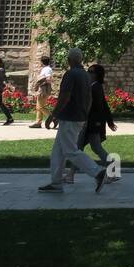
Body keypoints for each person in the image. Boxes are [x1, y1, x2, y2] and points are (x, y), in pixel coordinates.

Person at [40, 48, 110, 194]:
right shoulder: (85, 75)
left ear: (69, 60)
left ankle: (98, 172)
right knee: (58, 151)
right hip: (77, 117)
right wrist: (84, 115)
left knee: (70, 150)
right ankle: (56, 183)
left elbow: (64, 97)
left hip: (70, 118)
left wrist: (53, 115)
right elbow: (89, 99)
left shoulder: (71, 74)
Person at [31, 55, 54, 129]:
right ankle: (38, 122)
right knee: (38, 106)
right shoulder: (46, 69)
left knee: (40, 107)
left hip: (44, 89)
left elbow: (48, 79)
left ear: (42, 62)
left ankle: (52, 117)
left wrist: (40, 83)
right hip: (43, 88)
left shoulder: (47, 69)